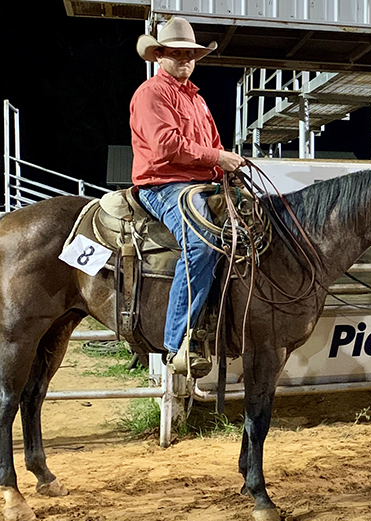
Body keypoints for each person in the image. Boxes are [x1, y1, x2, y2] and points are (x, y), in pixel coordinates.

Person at [130, 17, 245, 377]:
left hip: (199, 182)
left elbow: (211, 145)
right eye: (176, 53)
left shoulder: (197, 99)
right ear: (160, 55)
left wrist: (227, 168)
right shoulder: (151, 93)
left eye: (190, 54)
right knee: (201, 244)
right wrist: (218, 158)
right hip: (163, 185)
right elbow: (165, 146)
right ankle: (178, 340)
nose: (184, 60)